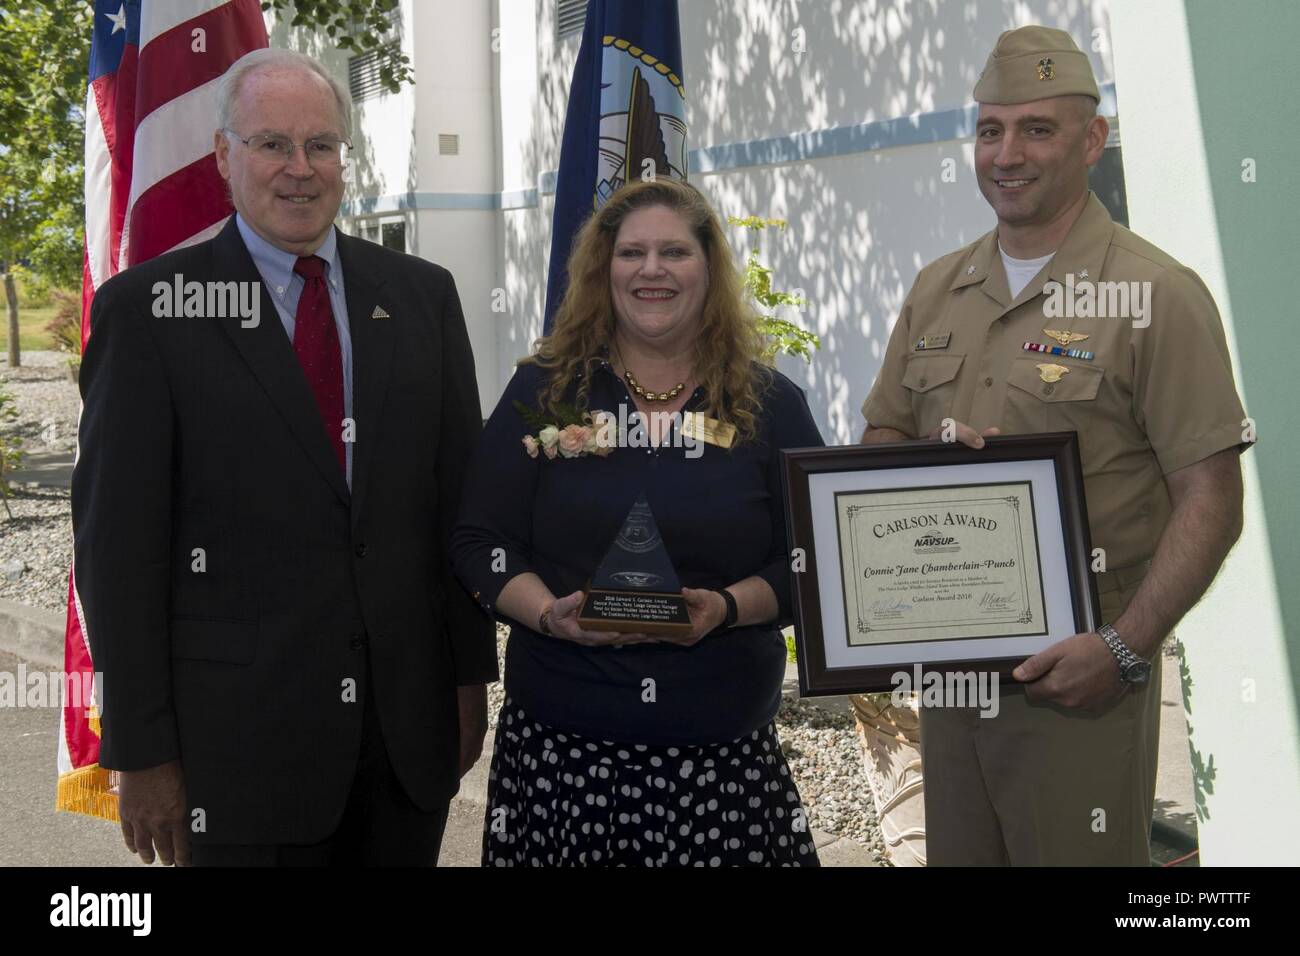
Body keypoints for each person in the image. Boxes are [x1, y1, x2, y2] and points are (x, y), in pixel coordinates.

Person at [71, 48, 496, 867]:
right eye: (272, 145)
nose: (301, 170)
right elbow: (117, 554)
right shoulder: (149, 313)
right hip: (231, 755)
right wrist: (142, 748)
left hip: (405, 743)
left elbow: (455, 510)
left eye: (322, 146)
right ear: (225, 157)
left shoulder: (421, 298)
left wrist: (468, 681)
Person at [860, 25, 1249, 865]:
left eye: (1037, 128)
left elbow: (1211, 500)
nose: (1008, 152)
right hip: (950, 667)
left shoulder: (1157, 294)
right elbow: (883, 436)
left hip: (1079, 680)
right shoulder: (937, 290)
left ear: (1092, 140)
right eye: (990, 128)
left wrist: (1123, 649)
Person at [451, 178, 824, 867]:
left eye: (675, 252)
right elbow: (480, 539)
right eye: (632, 253)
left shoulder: (770, 404)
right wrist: (545, 613)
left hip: (722, 768)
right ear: (604, 269)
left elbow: (816, 562)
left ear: (709, 270)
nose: (652, 269)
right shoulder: (545, 390)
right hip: (562, 763)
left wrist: (729, 608)